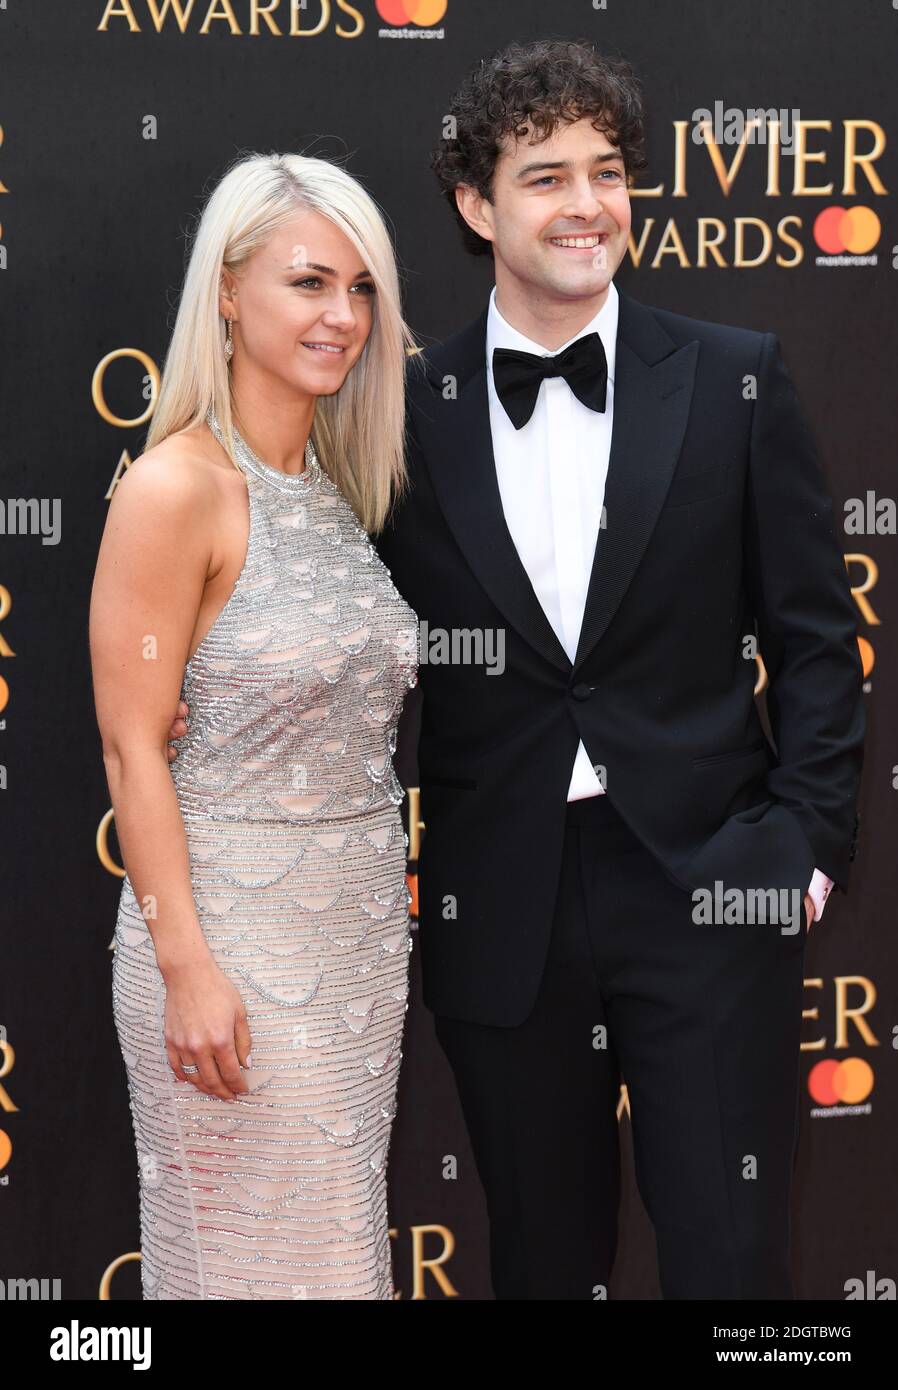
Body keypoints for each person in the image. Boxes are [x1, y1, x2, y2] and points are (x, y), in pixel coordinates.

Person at [169, 41, 865, 1300]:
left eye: (608, 172)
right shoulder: (394, 412)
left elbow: (818, 639)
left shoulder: (735, 377)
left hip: (709, 889)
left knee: (733, 1267)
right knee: (543, 1268)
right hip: (503, 912)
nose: (586, 203)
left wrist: (800, 853)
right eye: (546, 176)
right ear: (476, 206)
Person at [90, 151, 419, 1300]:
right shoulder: (176, 487)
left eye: (362, 289)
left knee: (330, 1263)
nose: (343, 316)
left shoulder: (332, 487)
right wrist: (185, 965)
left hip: (357, 950)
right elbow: (133, 745)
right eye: (308, 283)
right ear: (226, 293)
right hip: (230, 947)